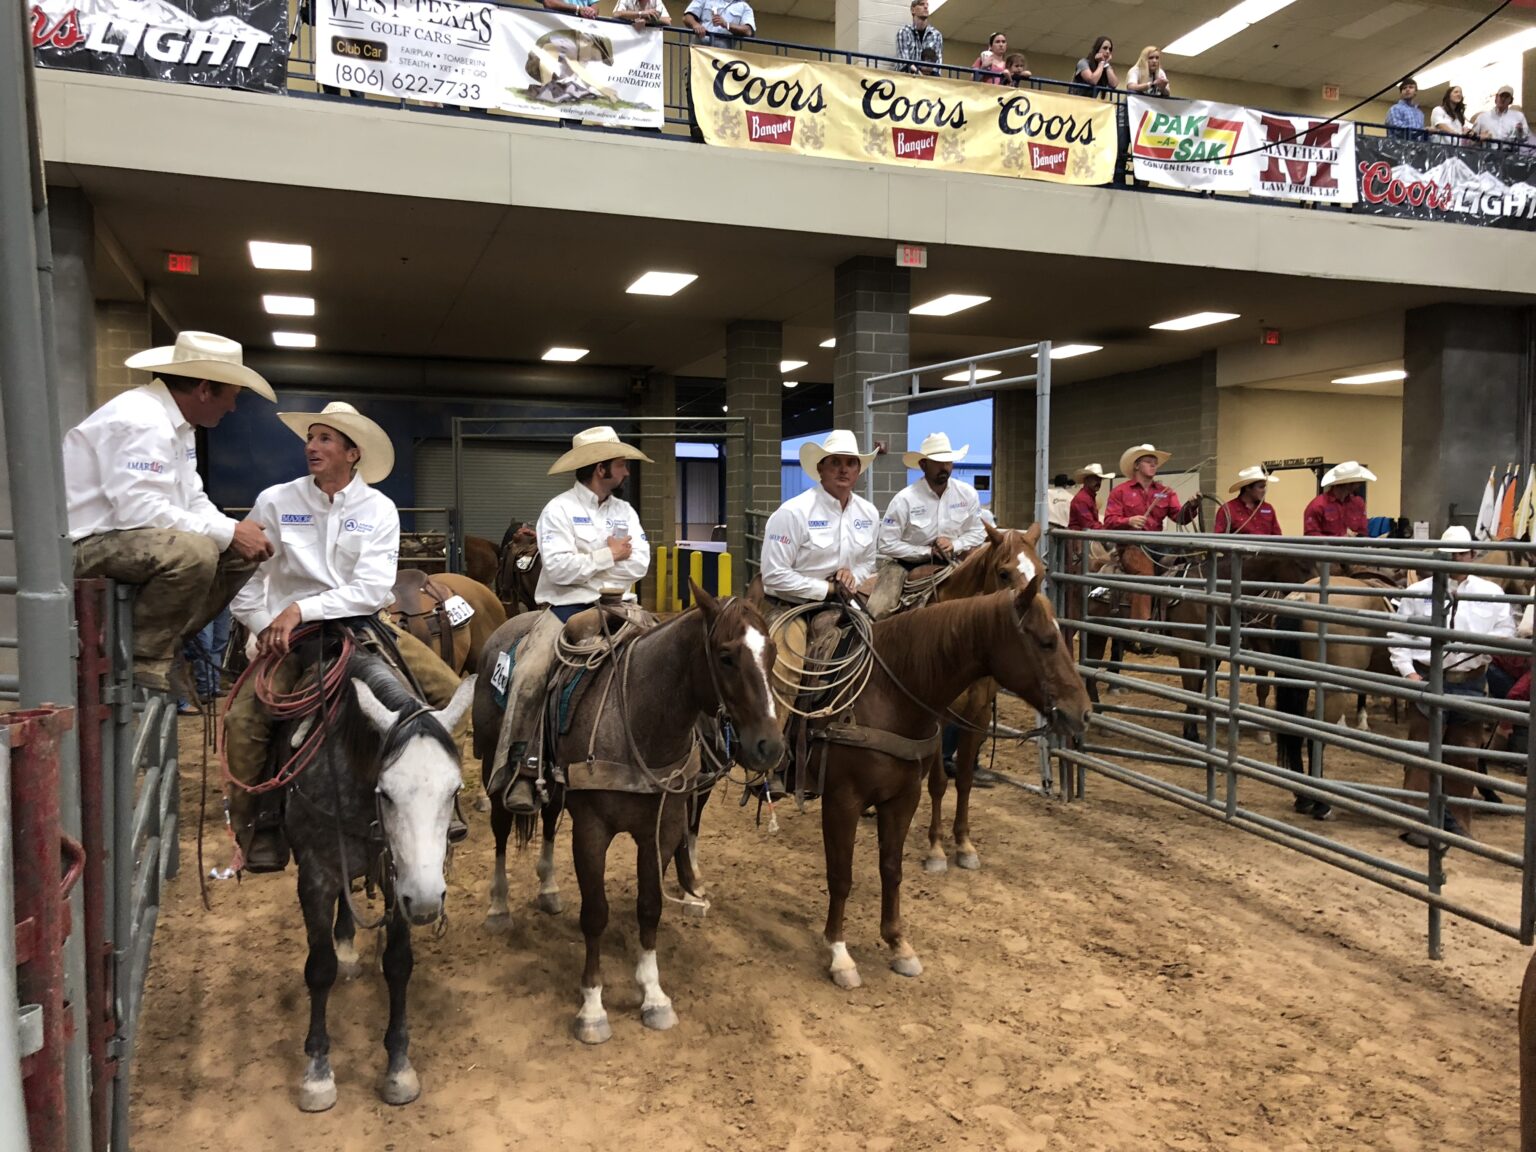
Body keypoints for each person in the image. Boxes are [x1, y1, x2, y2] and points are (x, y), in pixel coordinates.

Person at [224, 402, 465, 872]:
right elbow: (245, 580)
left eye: (325, 439)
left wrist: (301, 608)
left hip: (362, 624)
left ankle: (435, 796)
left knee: (449, 692)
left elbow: (372, 589)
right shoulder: (276, 501)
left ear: (353, 453)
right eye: (310, 438)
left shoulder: (378, 508)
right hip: (290, 637)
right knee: (243, 721)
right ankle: (259, 823)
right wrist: (265, 624)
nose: (312, 447)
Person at [65, 331, 276, 692]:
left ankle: (168, 642)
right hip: (88, 544)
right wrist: (227, 533)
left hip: (130, 541)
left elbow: (192, 498)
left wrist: (234, 532)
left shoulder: (177, 426)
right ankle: (141, 657)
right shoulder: (142, 419)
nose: (232, 408)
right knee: (196, 552)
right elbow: (138, 510)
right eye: (231, 397)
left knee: (240, 553)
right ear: (205, 389)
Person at [489, 427, 653, 814]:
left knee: (672, 655)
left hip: (621, 606)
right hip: (567, 611)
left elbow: (641, 562)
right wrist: (610, 555)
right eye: (620, 464)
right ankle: (523, 768)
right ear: (601, 469)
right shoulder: (558, 510)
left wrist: (597, 561)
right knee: (530, 674)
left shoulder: (624, 511)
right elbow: (560, 571)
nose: (626, 471)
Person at [1388, 526, 1516, 846]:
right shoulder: (1418, 593)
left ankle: (1458, 822)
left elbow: (1506, 632)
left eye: (1462, 553)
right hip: (1429, 678)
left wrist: (1485, 647)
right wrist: (1409, 674)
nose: (1457, 559)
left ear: (1472, 555)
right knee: (1422, 751)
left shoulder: (1491, 592)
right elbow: (1398, 637)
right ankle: (1417, 822)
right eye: (1450, 554)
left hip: (1471, 680)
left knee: (1465, 753)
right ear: (1438, 557)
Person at [868, 432, 984, 618]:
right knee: (878, 610)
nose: (944, 467)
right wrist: (926, 552)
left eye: (948, 462)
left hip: (953, 561)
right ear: (923, 465)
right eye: (938, 462)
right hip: (903, 566)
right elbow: (886, 543)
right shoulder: (904, 500)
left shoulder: (967, 494)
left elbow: (977, 532)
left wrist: (955, 545)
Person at [761, 430, 880, 605]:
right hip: (793, 604)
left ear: (858, 470)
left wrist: (851, 578)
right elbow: (773, 574)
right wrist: (828, 588)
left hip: (846, 601)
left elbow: (868, 563)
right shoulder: (793, 512)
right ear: (820, 468)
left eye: (850, 463)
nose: (843, 469)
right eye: (835, 462)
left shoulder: (869, 513)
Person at [1103, 443, 1201, 623]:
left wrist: (1192, 506)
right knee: (1145, 576)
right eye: (1148, 461)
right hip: (1132, 546)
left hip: (1159, 545)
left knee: (1191, 565)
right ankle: (1142, 627)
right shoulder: (1120, 491)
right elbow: (1108, 521)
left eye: (1155, 462)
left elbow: (1180, 518)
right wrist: (1128, 521)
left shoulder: (1165, 492)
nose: (1153, 465)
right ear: (1136, 465)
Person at [1303, 461, 1373, 537]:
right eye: (1357, 481)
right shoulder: (1317, 506)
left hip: (1353, 548)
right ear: (1349, 484)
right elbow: (1311, 536)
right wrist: (1340, 538)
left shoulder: (1358, 503)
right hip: (1327, 548)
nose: (1359, 484)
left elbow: (1363, 530)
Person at [1213, 466, 1283, 535]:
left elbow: (1277, 536)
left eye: (1264, 487)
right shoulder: (1228, 510)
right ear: (1248, 488)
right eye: (1261, 487)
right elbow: (1219, 539)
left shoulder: (1268, 508)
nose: (1264, 491)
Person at [895, 0, 942, 75]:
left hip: (928, 82)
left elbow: (936, 67)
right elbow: (903, 63)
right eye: (922, 4)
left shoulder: (936, 35)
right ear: (913, 10)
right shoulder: (904, 32)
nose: (926, 7)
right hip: (907, 80)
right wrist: (919, 72)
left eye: (927, 5)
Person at [683, 0, 754, 47]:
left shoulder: (745, 7)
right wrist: (695, 25)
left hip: (722, 55)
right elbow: (687, 17)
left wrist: (726, 24)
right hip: (700, 49)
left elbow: (748, 31)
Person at [1067, 464, 1113, 532]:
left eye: (1100, 479)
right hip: (1079, 539)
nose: (1098, 482)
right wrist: (1107, 530)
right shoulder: (1082, 499)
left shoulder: (1089, 497)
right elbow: (1088, 524)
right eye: (1095, 478)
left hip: (1083, 537)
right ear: (1086, 480)